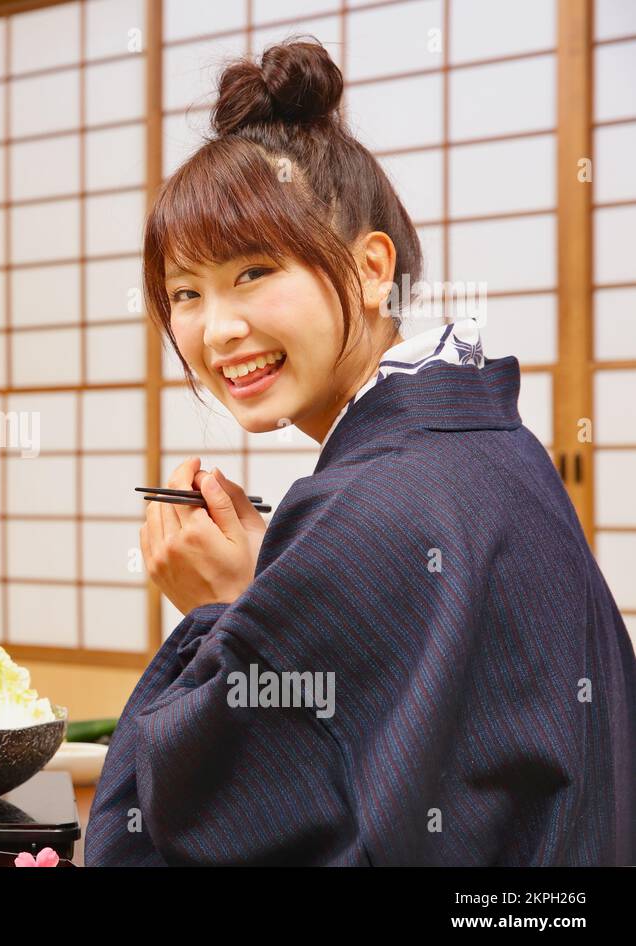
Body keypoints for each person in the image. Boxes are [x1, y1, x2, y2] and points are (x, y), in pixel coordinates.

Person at [85, 40, 634, 865]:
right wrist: (274, 602)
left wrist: (218, 614)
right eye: (186, 293)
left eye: (256, 271)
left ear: (372, 267)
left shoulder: (378, 499)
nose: (218, 328)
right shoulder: (484, 443)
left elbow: (233, 819)